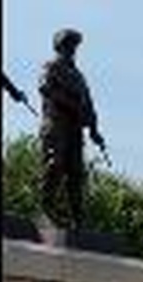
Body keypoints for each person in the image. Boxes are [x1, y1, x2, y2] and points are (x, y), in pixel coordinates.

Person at [38, 28, 105, 232]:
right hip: (56, 124)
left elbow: (88, 104)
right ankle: (47, 210)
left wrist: (94, 129)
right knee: (54, 166)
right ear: (60, 47)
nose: (72, 50)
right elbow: (45, 88)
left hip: (75, 129)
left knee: (76, 173)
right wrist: (71, 105)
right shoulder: (52, 66)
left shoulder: (78, 76)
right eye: (69, 45)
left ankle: (78, 219)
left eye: (74, 46)